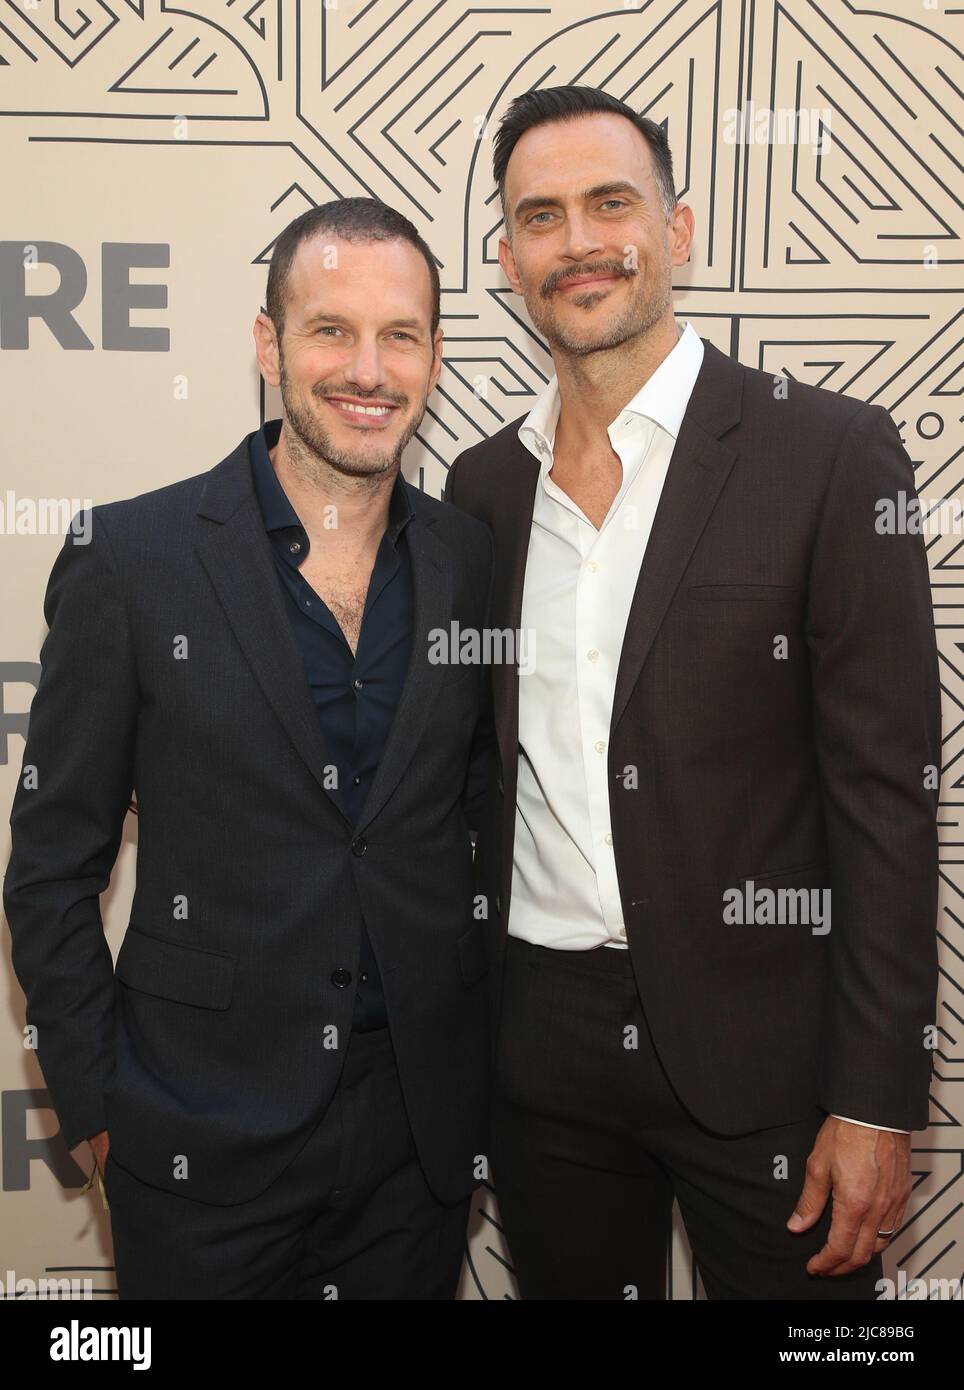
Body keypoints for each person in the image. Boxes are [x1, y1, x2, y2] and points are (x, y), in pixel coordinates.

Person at [444, 85, 941, 1300]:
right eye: (541, 216)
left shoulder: (826, 453)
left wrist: (876, 1097)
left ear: (677, 226)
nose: (578, 241)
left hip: (765, 1052)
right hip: (541, 1046)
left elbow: (887, 801)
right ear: (507, 259)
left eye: (610, 203)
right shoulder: (482, 490)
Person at [5, 197, 495, 1299]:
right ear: (268, 345)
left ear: (433, 354)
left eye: (400, 335)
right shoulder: (132, 558)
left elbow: (477, 828)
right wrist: (95, 1104)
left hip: (412, 1145)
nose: (367, 369)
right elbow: (49, 865)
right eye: (330, 329)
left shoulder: (473, 563)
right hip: (194, 1136)